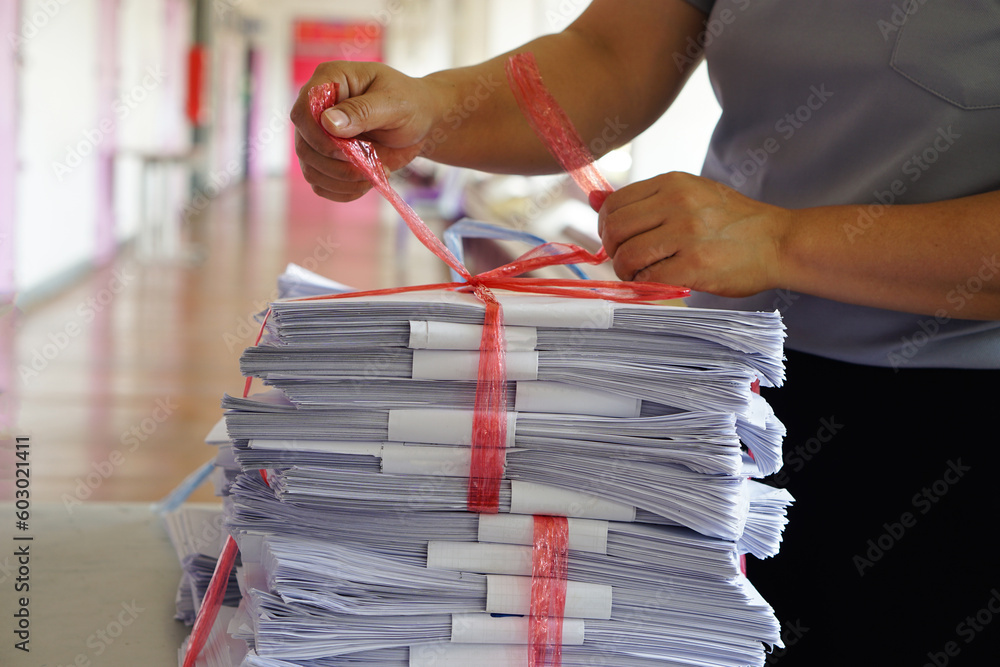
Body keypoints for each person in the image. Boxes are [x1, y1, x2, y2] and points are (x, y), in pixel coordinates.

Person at [291, 1, 1000, 663]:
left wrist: (784, 241)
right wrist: (432, 109)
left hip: (953, 424)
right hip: (728, 398)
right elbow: (606, 56)